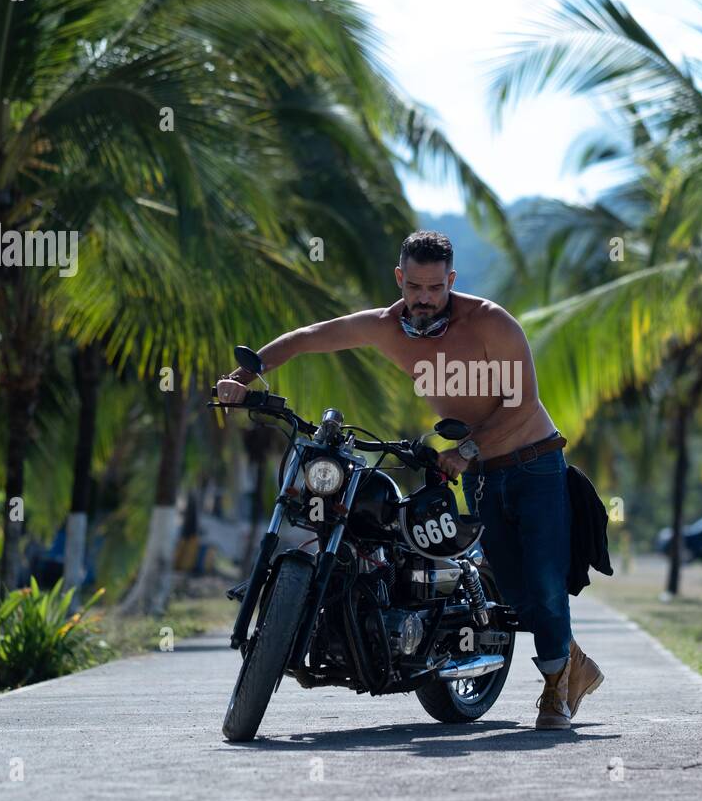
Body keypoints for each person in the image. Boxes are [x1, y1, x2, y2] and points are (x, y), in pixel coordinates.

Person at [215, 230, 604, 729]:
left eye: (435, 288)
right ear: (400, 279)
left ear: (451, 281)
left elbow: (521, 403)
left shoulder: (490, 322)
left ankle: (556, 688)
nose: (424, 299)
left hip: (535, 463)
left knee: (546, 582)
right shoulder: (385, 327)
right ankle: (573, 663)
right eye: (415, 287)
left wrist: (464, 450)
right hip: (481, 474)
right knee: (509, 583)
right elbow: (309, 338)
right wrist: (242, 378)